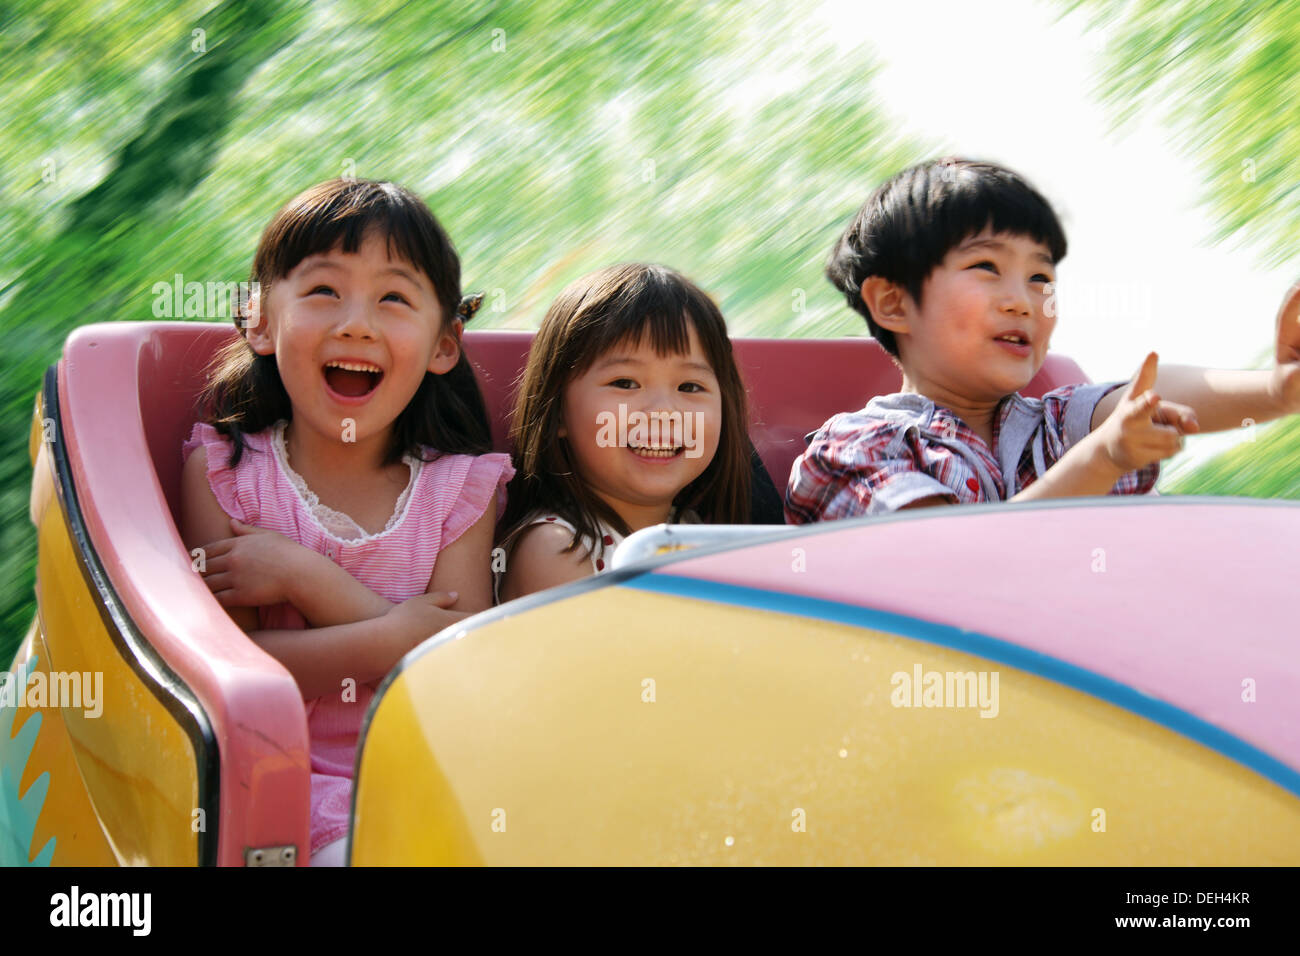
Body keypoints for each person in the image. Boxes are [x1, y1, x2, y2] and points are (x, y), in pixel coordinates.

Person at [178, 178, 513, 866]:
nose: (356, 322)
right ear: (260, 321)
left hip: (433, 766)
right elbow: (229, 673)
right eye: (325, 291)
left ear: (444, 344)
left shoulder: (461, 490)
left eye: (393, 298)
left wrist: (302, 577)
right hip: (280, 780)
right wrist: (398, 633)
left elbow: (450, 666)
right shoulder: (223, 475)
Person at [786, 157, 1300, 521]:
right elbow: (950, 567)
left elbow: (1147, 395)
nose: (1025, 301)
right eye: (986, 266)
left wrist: (1276, 391)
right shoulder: (856, 449)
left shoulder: (1054, 426)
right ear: (893, 303)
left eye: (1040, 278)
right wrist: (1104, 458)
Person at [497, 263, 751, 600]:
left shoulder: (696, 530)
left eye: (689, 386)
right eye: (625, 383)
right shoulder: (558, 550)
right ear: (557, 411)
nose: (663, 412)